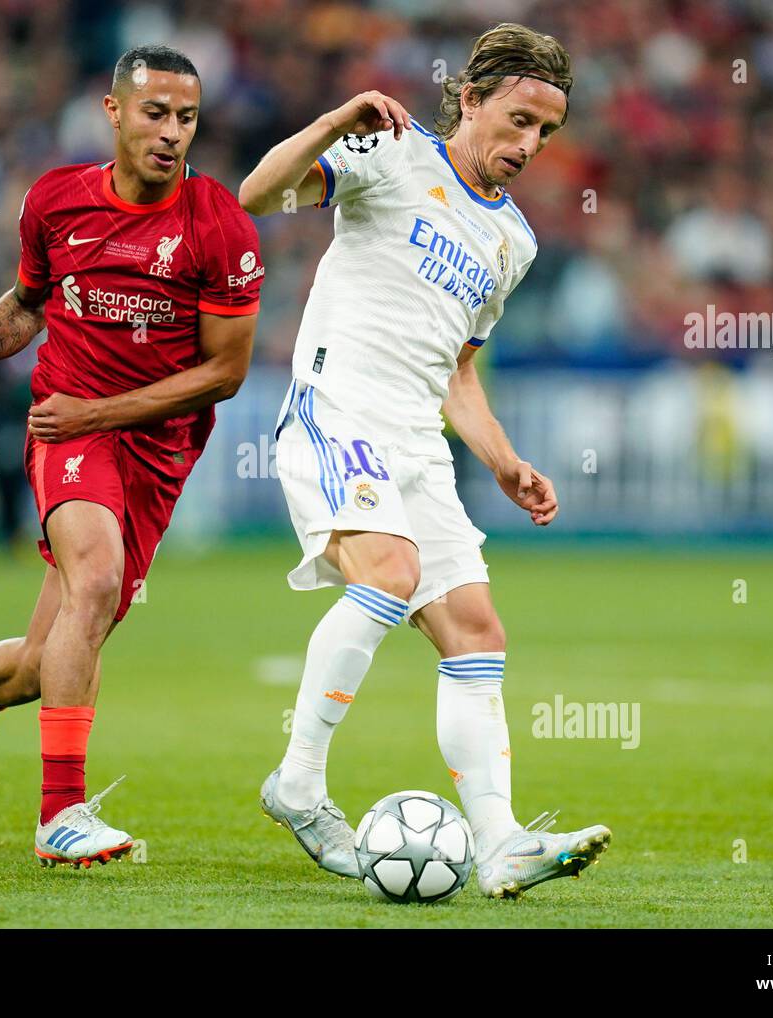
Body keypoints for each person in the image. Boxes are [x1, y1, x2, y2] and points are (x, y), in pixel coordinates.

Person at [238, 22, 610, 899]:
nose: (529, 145)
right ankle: (298, 780)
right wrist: (334, 123)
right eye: (518, 119)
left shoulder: (512, 242)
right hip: (336, 414)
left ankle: (503, 843)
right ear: (471, 98)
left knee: (477, 628)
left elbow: (457, 369)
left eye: (546, 132)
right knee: (392, 570)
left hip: (416, 446)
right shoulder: (391, 156)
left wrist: (503, 459)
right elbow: (257, 194)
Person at [0, 45, 263, 868]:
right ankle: (61, 815)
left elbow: (225, 373)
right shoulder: (56, 200)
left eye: (186, 118)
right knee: (91, 580)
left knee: (41, 664)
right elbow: (27, 304)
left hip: (156, 455)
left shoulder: (220, 225)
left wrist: (108, 408)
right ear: (114, 112)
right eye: (155, 113)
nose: (171, 133)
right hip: (68, 429)